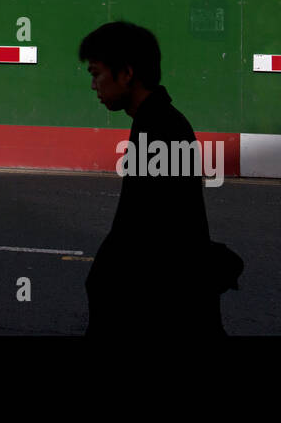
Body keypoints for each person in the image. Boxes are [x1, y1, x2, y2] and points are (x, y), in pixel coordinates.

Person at [78, 20, 224, 337]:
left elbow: (144, 231)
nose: (93, 85)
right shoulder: (161, 121)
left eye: (96, 73)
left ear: (126, 73)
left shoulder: (156, 129)